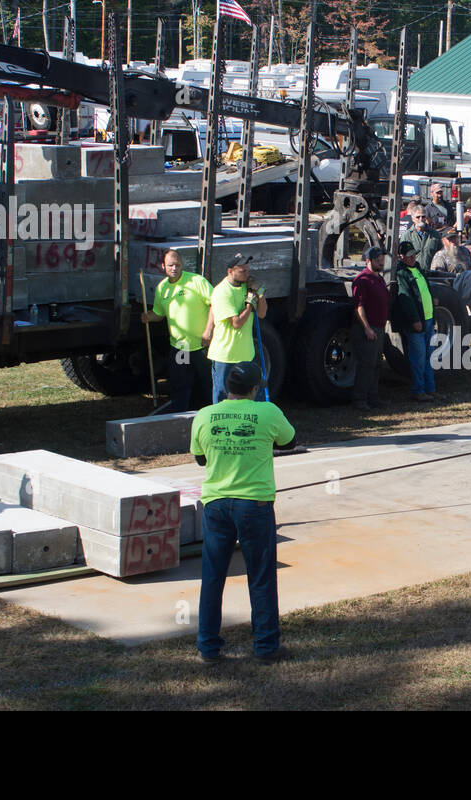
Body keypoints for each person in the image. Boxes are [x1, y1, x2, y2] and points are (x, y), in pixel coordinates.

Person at [190, 363, 297, 664]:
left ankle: (208, 647)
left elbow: (200, 458)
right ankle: (266, 646)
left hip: (216, 504)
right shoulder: (268, 412)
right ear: (255, 389)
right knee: (261, 575)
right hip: (254, 505)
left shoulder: (204, 415)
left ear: (225, 388)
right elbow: (290, 440)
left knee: (212, 576)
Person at [144, 248, 213, 412]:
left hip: (203, 345)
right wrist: (148, 317)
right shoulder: (162, 288)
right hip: (181, 347)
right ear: (163, 266)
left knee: (210, 383)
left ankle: (216, 414)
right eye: (170, 265)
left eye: (177, 265)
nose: (174, 268)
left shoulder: (197, 281)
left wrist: (209, 331)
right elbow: (159, 314)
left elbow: (215, 304)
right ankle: (181, 416)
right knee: (181, 384)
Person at [205, 253, 267, 404]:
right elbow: (237, 323)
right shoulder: (222, 292)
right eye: (242, 271)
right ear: (230, 271)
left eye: (247, 269)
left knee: (249, 399)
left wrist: (260, 293)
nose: (247, 274)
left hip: (246, 354)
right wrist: (249, 304)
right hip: (225, 356)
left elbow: (262, 314)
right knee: (223, 398)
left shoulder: (247, 286)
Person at [390, 240, 437, 401]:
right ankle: (418, 390)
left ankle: (430, 389)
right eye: (409, 256)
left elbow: (424, 289)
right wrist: (414, 320)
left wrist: (432, 299)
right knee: (419, 357)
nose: (412, 258)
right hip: (417, 322)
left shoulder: (418, 269)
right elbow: (406, 299)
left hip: (429, 318)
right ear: (401, 257)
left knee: (428, 355)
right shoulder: (402, 273)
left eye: (414, 254)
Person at [351, 246, 391, 412]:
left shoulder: (379, 278)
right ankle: (359, 399)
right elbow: (359, 307)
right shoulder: (362, 280)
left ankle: (373, 397)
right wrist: (367, 328)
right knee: (366, 365)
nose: (381, 262)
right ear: (368, 261)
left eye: (382, 259)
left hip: (379, 328)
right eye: (377, 260)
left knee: (376, 365)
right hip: (368, 329)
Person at [400, 203, 442, 272]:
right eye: (418, 217)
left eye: (423, 217)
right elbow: (402, 258)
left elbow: (440, 254)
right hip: (413, 274)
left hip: (431, 274)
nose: (421, 219)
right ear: (412, 218)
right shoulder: (406, 236)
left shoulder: (435, 235)